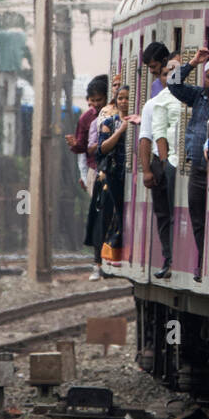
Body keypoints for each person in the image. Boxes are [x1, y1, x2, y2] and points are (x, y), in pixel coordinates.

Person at [165, 49, 209, 282]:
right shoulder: (198, 96)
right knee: (197, 215)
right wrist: (193, 63)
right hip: (197, 165)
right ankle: (201, 261)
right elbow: (172, 84)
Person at [142, 59, 183, 279]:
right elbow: (155, 134)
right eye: (166, 73)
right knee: (165, 213)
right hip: (166, 163)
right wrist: (165, 163)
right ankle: (169, 258)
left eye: (175, 71)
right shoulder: (158, 102)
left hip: (186, 161)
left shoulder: (192, 96)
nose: (170, 76)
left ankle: (181, 259)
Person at [94, 84, 136, 269]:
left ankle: (119, 250)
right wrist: (120, 131)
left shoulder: (137, 120)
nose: (124, 101)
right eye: (120, 98)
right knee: (118, 213)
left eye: (127, 98)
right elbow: (101, 149)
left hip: (133, 175)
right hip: (115, 174)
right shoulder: (109, 123)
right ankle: (114, 250)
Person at [70, 75, 108, 280]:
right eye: (91, 101)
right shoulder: (86, 119)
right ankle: (97, 261)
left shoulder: (112, 114)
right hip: (95, 171)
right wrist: (84, 176)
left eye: (98, 100)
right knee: (99, 214)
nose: (94, 105)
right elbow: (82, 151)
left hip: (112, 170)